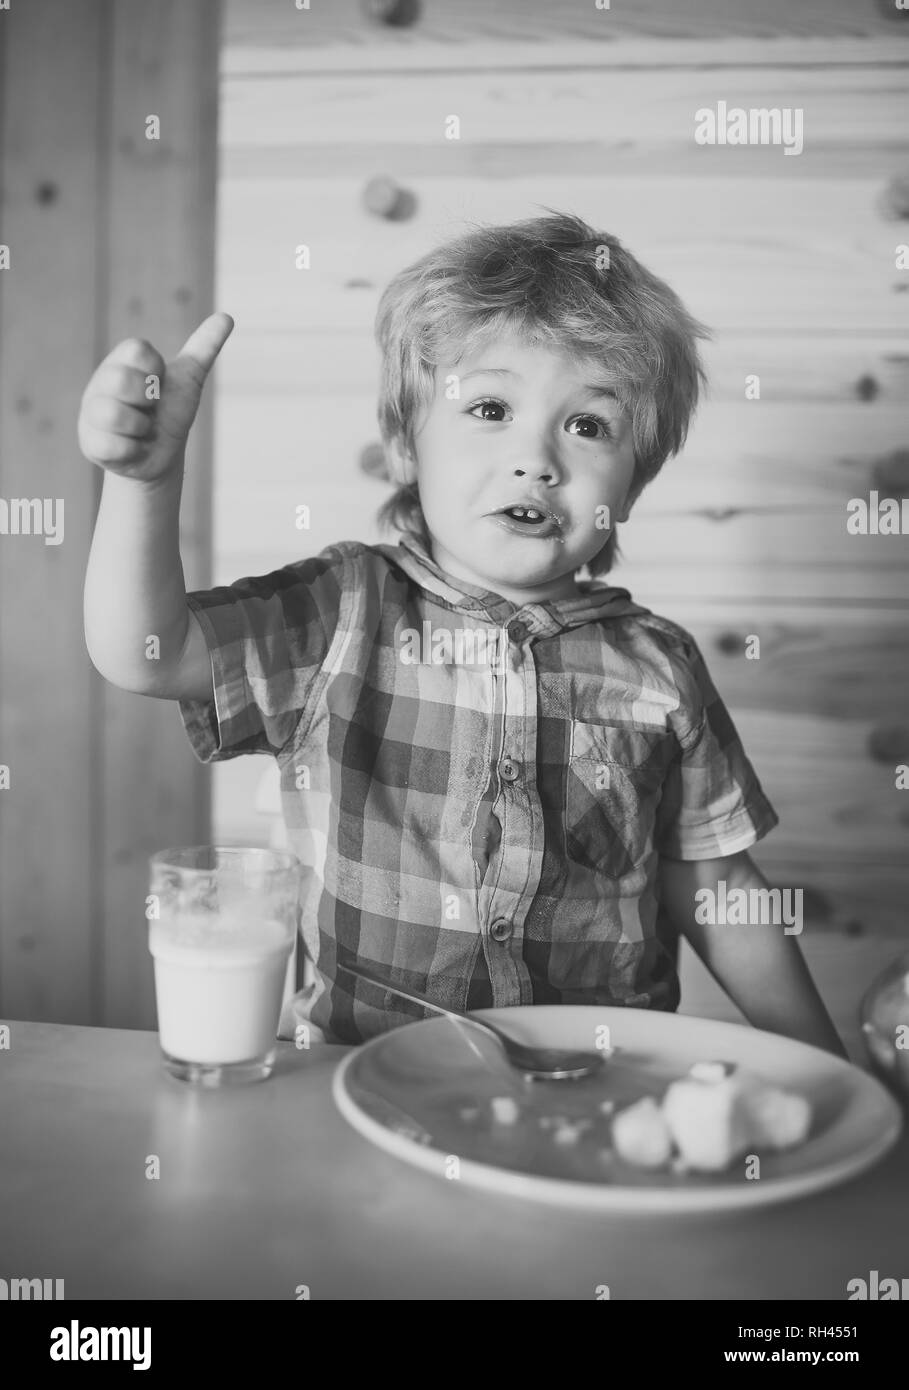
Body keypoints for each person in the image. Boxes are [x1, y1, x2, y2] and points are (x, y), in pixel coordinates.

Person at [81, 211, 846, 1055]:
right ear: (405, 445)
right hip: (359, 1084)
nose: (537, 458)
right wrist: (143, 485)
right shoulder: (342, 611)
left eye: (588, 425)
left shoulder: (657, 667)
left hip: (593, 1089)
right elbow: (143, 653)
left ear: (631, 489)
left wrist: (828, 1071)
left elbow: (714, 883)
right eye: (489, 407)